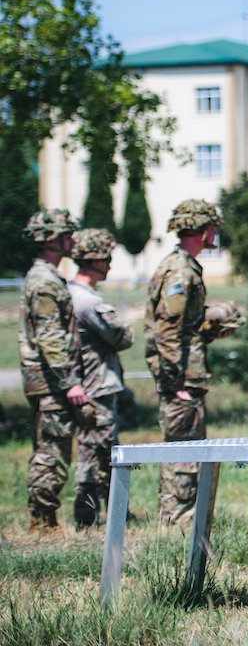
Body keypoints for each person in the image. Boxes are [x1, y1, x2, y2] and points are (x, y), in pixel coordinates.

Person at [146, 200, 242, 525]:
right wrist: (175, 386)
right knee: (183, 452)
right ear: (202, 230)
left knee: (189, 449)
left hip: (188, 378)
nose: (215, 234)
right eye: (213, 227)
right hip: (182, 382)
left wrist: (211, 324)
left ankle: (184, 524)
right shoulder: (180, 272)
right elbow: (167, 331)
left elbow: (185, 327)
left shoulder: (185, 267)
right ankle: (177, 524)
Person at [19, 209, 85, 532]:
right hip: (50, 383)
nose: (73, 240)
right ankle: (42, 523)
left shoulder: (48, 276)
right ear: (52, 239)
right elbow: (49, 337)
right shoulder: (44, 281)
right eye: (68, 235)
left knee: (54, 448)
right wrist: (69, 382)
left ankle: (45, 519)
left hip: (50, 381)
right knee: (51, 452)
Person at [68, 228, 134, 528]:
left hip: (88, 386)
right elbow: (121, 336)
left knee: (99, 449)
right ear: (93, 260)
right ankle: (88, 516)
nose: (109, 265)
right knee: (98, 452)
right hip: (97, 387)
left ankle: (108, 514)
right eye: (106, 259)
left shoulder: (70, 295)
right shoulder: (88, 302)